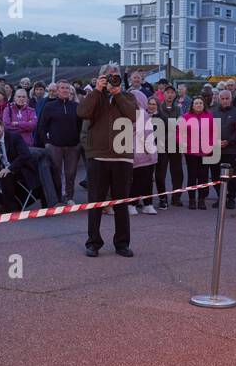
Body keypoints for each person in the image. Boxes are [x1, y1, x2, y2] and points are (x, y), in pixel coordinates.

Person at [76, 64, 137, 257]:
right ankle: (93, 242)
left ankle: (122, 243)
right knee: (95, 203)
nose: (112, 80)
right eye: (108, 76)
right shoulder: (95, 96)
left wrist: (118, 93)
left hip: (122, 156)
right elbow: (83, 112)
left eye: (115, 76)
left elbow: (133, 115)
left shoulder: (128, 96)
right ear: (100, 78)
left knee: (121, 203)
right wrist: (97, 91)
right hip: (98, 156)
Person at [37, 81, 81, 204]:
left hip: (73, 146)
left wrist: (79, 143)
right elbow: (42, 126)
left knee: (71, 173)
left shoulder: (76, 106)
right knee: (56, 173)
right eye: (62, 88)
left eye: (67, 88)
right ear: (57, 90)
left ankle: (69, 196)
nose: (65, 90)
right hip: (55, 146)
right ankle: (57, 196)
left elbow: (81, 126)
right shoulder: (49, 106)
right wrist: (46, 142)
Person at [179, 96, 217, 209]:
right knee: (192, 176)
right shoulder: (185, 117)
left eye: (200, 103)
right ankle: (191, 200)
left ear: (203, 105)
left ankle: (201, 200)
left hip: (205, 151)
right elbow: (179, 133)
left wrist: (210, 144)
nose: (198, 105)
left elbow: (214, 132)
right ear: (192, 105)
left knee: (203, 177)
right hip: (191, 152)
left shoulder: (209, 116)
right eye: (196, 103)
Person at [211, 89, 236, 209]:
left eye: (227, 98)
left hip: (232, 150)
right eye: (222, 98)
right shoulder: (213, 113)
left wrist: (229, 141)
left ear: (231, 99)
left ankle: (231, 198)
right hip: (216, 150)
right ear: (219, 99)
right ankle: (220, 197)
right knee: (215, 175)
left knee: (232, 176)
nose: (224, 101)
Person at [129, 89, 159, 215]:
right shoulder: (142, 114)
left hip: (137, 151)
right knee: (143, 180)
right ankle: (136, 204)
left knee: (139, 179)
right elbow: (146, 133)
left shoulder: (129, 113)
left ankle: (144, 204)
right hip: (144, 152)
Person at [155, 85, 184, 207]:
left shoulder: (178, 109)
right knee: (160, 173)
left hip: (175, 144)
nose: (170, 95)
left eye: (172, 92)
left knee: (177, 172)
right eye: (168, 92)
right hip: (161, 144)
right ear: (163, 94)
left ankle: (176, 197)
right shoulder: (158, 108)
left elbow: (179, 125)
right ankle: (163, 198)